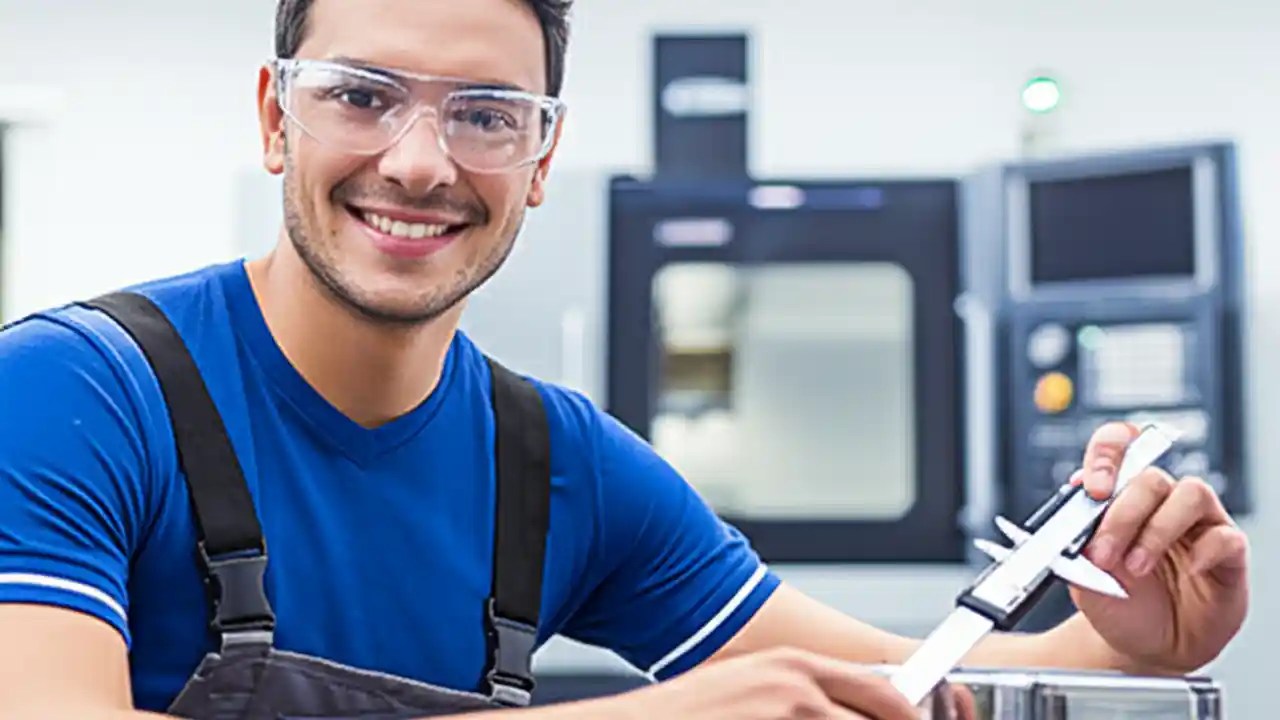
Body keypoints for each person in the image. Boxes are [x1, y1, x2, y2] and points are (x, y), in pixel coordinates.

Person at [0, 0, 1249, 718]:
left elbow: (893, 683)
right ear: (277, 117)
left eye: (486, 115)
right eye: (363, 94)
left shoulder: (562, 468)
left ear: (540, 160)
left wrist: (1130, 644)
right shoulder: (74, 397)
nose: (423, 162)